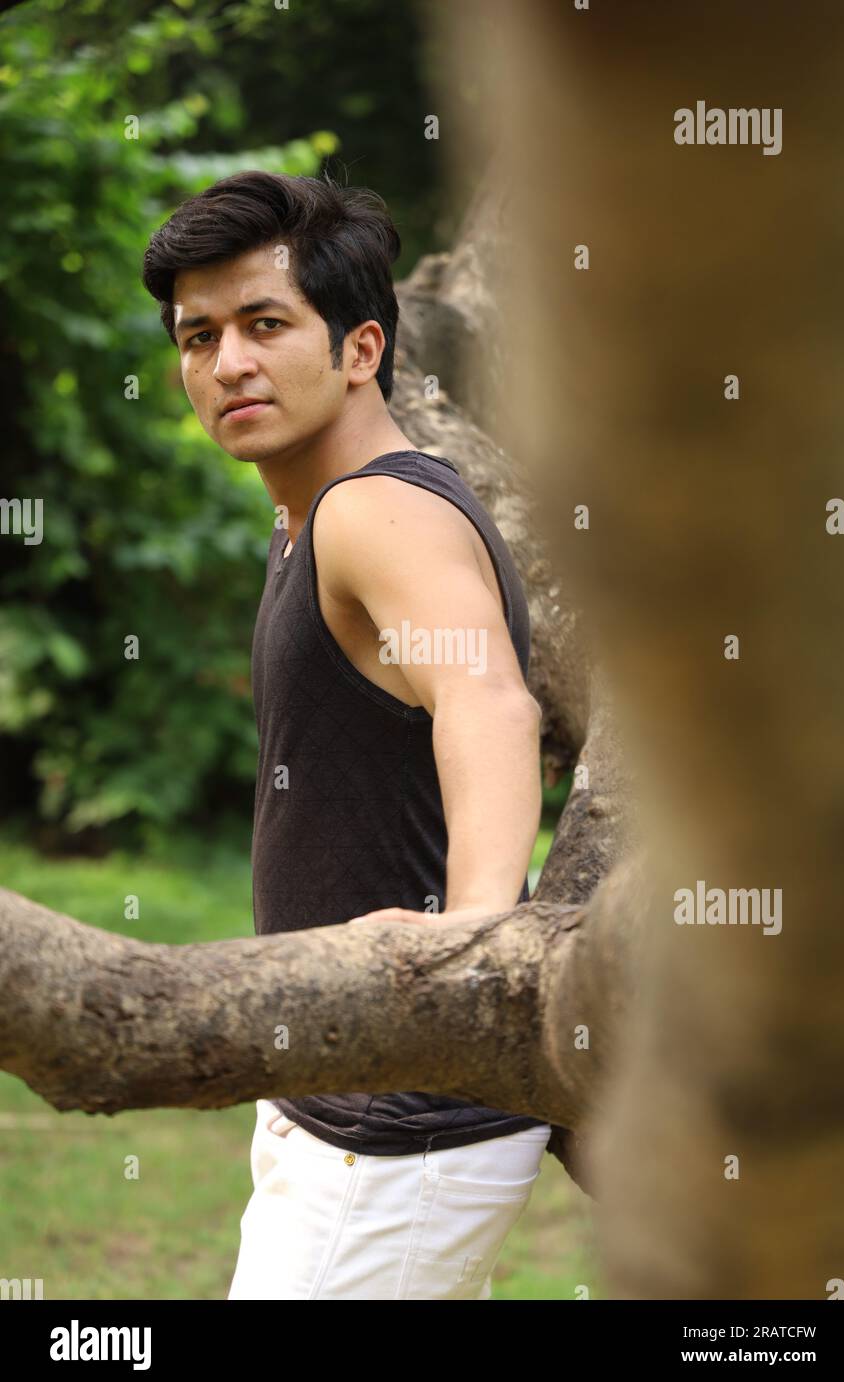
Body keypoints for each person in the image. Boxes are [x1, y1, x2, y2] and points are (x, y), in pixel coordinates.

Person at [142, 170, 551, 1300]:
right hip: (342, 1093)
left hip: (398, 1124)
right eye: (199, 336)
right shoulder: (317, 512)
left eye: (265, 325)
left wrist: (471, 944)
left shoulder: (376, 511)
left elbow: (489, 702)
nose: (228, 363)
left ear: (362, 348)